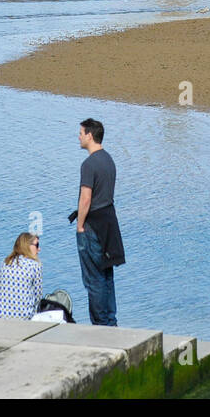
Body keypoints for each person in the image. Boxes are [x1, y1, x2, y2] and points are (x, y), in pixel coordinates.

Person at [75, 118, 125, 325]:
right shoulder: (109, 160)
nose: (78, 136)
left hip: (93, 225)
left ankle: (99, 326)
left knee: (93, 278)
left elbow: (86, 198)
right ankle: (110, 322)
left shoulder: (89, 164)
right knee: (106, 275)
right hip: (109, 223)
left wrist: (79, 226)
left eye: (80, 133)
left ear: (90, 135)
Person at [0, 232, 43, 320]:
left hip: (0, 314)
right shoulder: (35, 265)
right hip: (24, 316)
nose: (39, 249)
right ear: (27, 246)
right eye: (37, 245)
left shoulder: (5, 262)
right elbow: (38, 296)